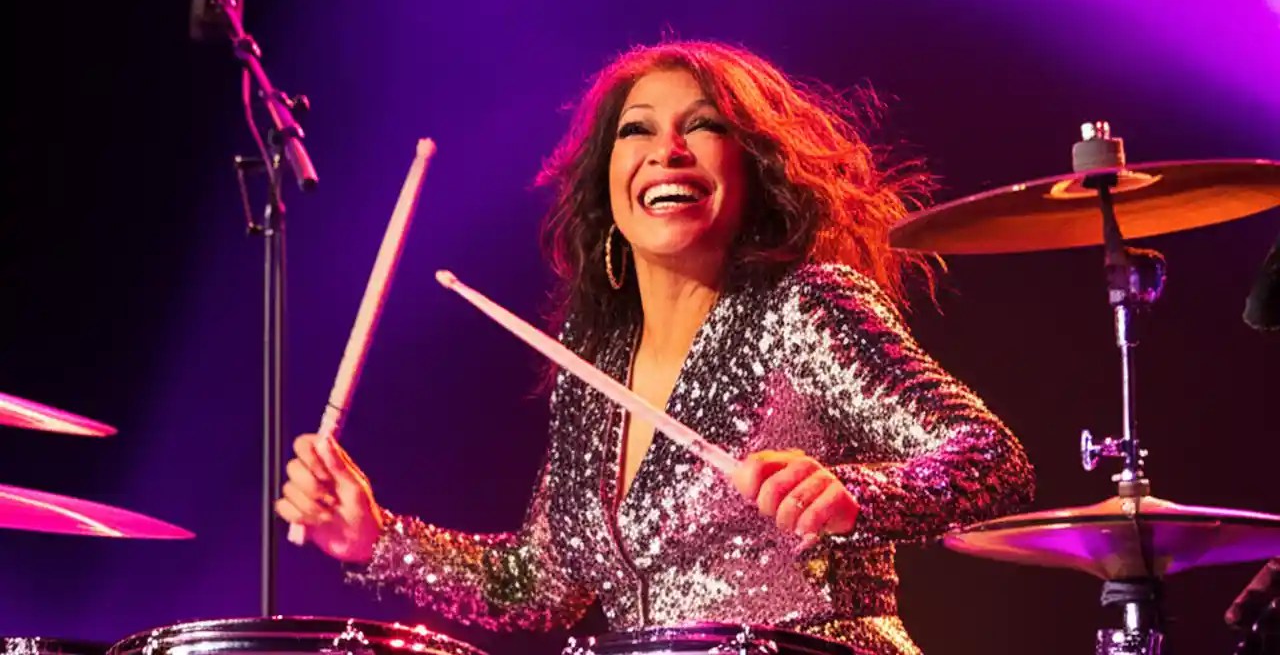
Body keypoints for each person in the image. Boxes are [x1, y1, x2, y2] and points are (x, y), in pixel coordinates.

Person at [274, 39, 1036, 655]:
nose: (666, 149)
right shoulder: (593, 362)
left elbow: (991, 458)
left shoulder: (805, 306)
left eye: (702, 125)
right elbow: (540, 583)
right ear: (608, 182)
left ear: (754, 169)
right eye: (636, 130)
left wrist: (853, 495)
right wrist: (376, 537)